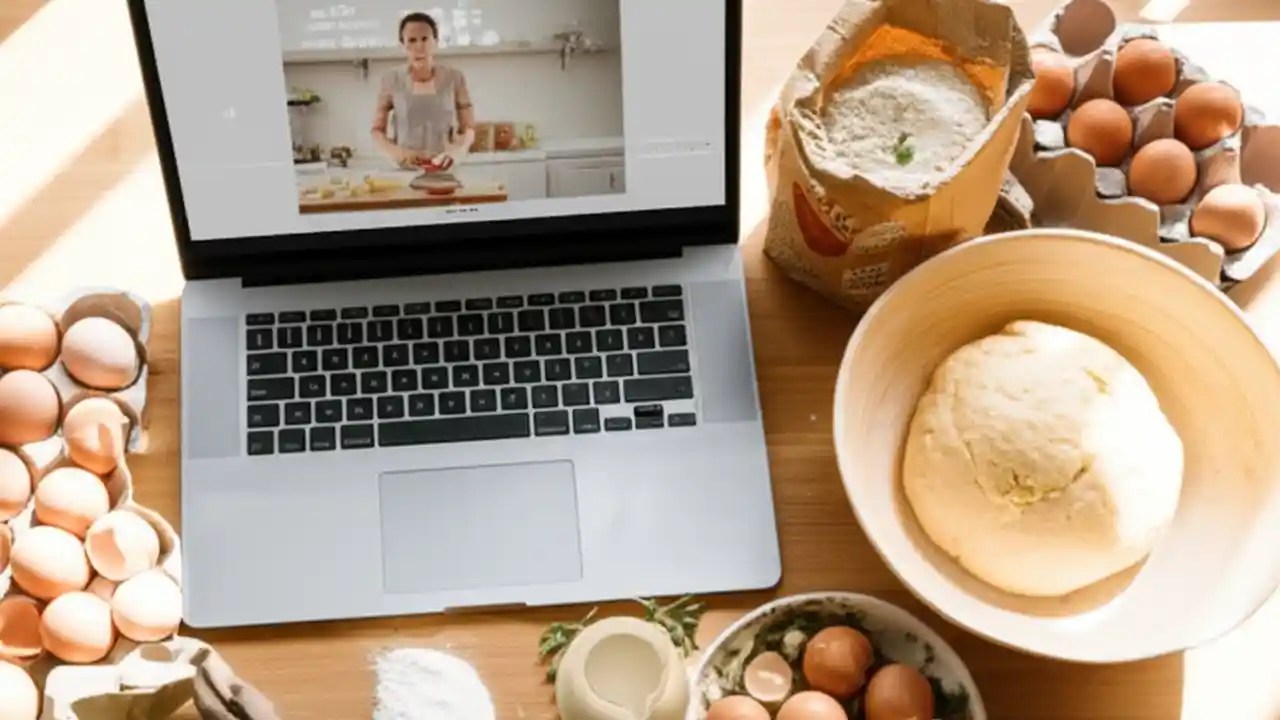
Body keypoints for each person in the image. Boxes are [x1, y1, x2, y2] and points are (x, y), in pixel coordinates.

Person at [371, 12, 476, 170]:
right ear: (403, 45)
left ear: (435, 41)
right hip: (405, 171)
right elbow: (377, 131)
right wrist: (398, 153)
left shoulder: (454, 77)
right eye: (412, 40)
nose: (419, 46)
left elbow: (468, 128)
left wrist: (457, 152)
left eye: (425, 39)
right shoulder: (391, 80)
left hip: (444, 169)